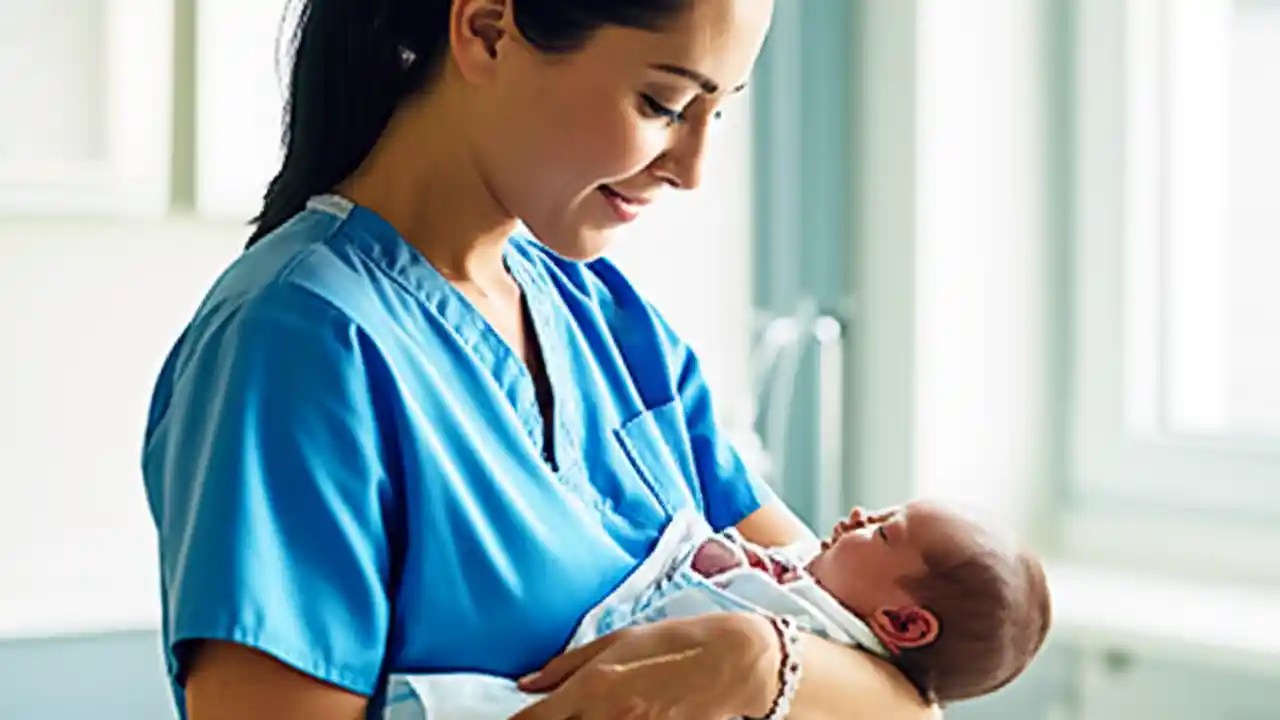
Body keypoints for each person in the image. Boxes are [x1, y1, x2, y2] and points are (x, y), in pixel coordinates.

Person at [141, 1, 938, 719]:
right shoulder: (299, 346)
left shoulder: (611, 324)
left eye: (718, 113)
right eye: (663, 104)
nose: (692, 171)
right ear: (488, 32)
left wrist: (758, 662)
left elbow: (905, 698)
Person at [388, 500, 1051, 717]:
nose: (856, 515)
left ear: (903, 624)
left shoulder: (821, 625)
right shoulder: (815, 586)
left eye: (883, 531)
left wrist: (762, 657)